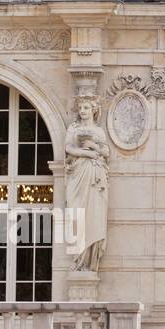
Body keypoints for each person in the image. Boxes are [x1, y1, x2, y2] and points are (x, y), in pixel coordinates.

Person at [65, 98, 110, 272]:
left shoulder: (98, 131)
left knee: (94, 216)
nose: (82, 110)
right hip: (78, 174)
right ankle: (79, 258)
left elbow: (106, 152)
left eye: (86, 107)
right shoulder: (73, 128)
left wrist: (94, 147)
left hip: (94, 176)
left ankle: (90, 262)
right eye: (81, 108)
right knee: (77, 214)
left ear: (93, 110)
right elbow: (68, 148)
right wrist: (86, 152)